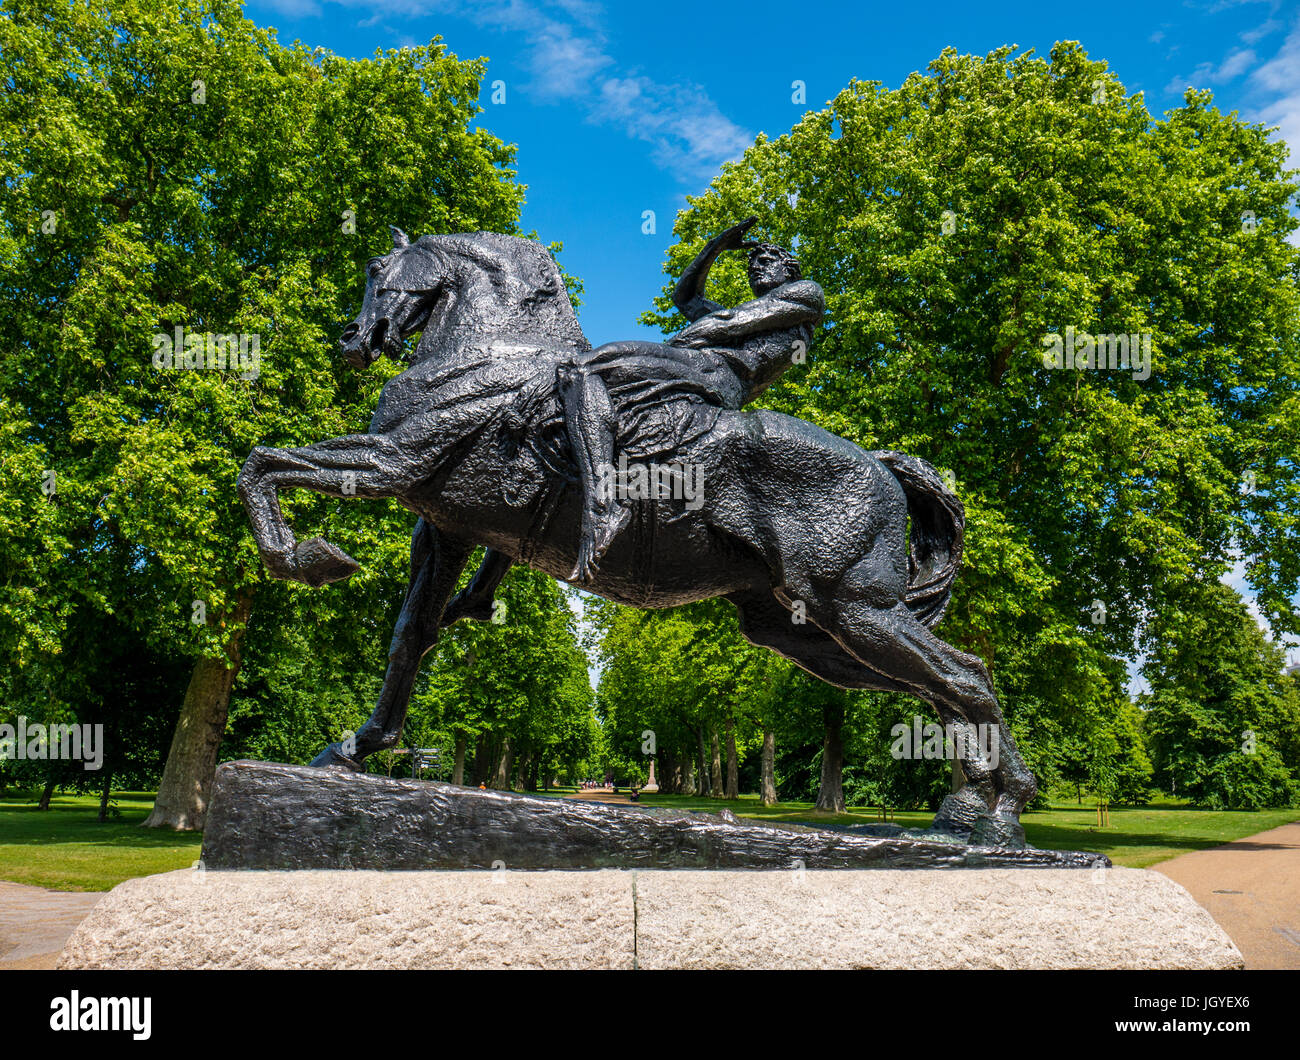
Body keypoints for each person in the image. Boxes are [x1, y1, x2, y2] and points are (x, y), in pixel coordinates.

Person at [558, 217, 824, 581]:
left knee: (585, 370)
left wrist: (669, 349)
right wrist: (713, 246)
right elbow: (685, 298)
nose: (755, 267)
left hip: (715, 376)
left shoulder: (805, 294)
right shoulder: (761, 320)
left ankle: (604, 504)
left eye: (766, 261)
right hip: (702, 367)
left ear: (789, 269)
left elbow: (729, 321)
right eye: (751, 262)